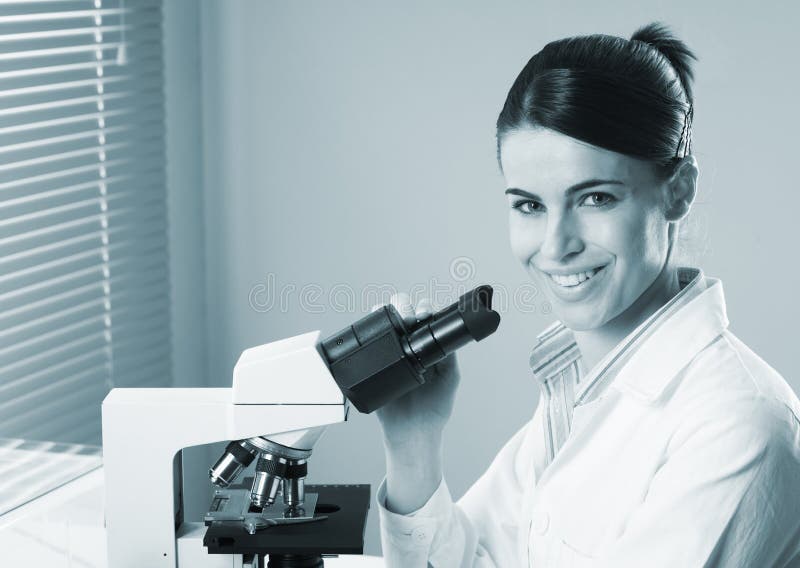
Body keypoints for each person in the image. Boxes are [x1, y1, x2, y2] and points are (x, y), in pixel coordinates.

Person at [373, 22, 800, 567]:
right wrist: (413, 443)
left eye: (595, 198)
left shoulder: (738, 424)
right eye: (529, 205)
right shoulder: (574, 393)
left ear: (678, 191)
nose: (556, 246)